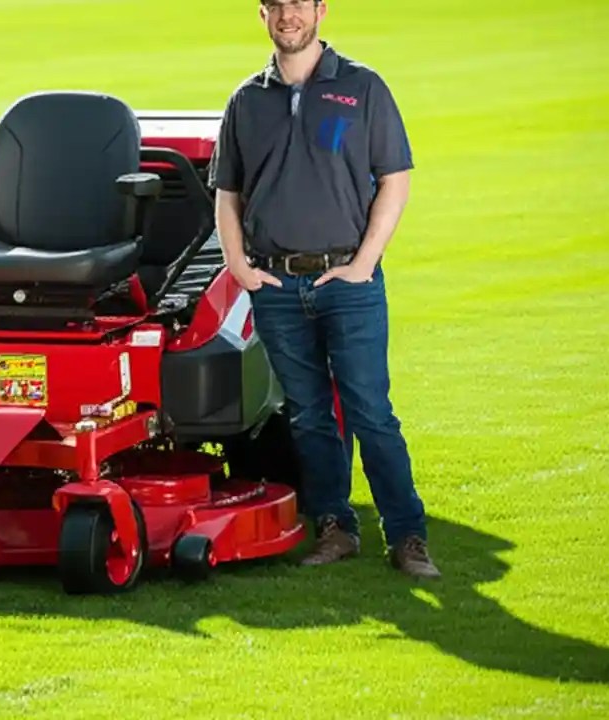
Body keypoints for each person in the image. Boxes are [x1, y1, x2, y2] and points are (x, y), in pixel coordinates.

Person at [208, 0, 439, 578]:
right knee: (309, 416)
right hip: (276, 285)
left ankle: (407, 535)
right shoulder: (246, 101)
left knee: (371, 412)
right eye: (278, 6)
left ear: (321, 11)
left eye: (300, 5)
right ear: (262, 14)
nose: (289, 16)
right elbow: (227, 192)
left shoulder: (363, 88)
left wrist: (364, 263)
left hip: (349, 282)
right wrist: (238, 265)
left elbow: (396, 179)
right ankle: (335, 526)